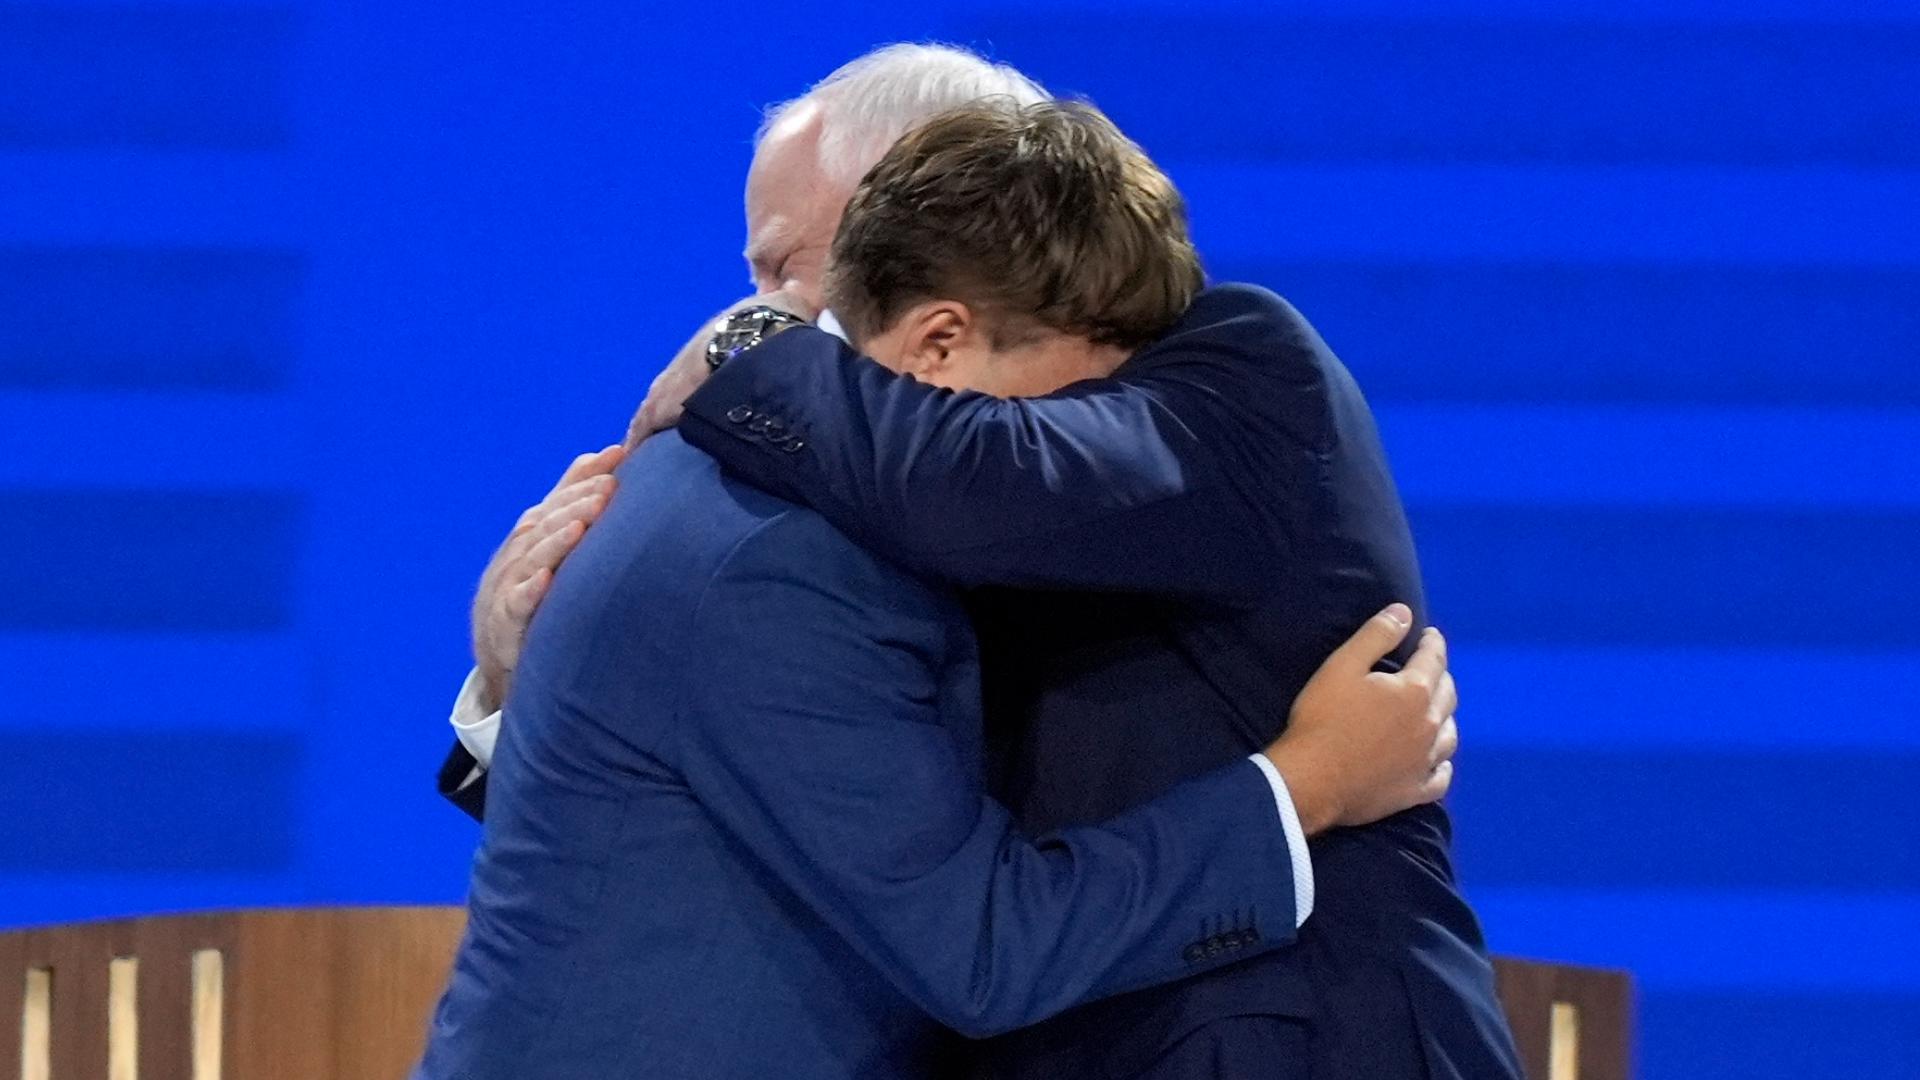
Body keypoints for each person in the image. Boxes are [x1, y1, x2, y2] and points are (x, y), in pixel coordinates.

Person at [443, 45, 1520, 1079]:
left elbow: (961, 482)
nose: (793, 311)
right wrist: (513, 694)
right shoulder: (778, 526)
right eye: (761, 285)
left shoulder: (1225, 374)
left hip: (1279, 1034)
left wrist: (743, 352)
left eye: (788, 267)